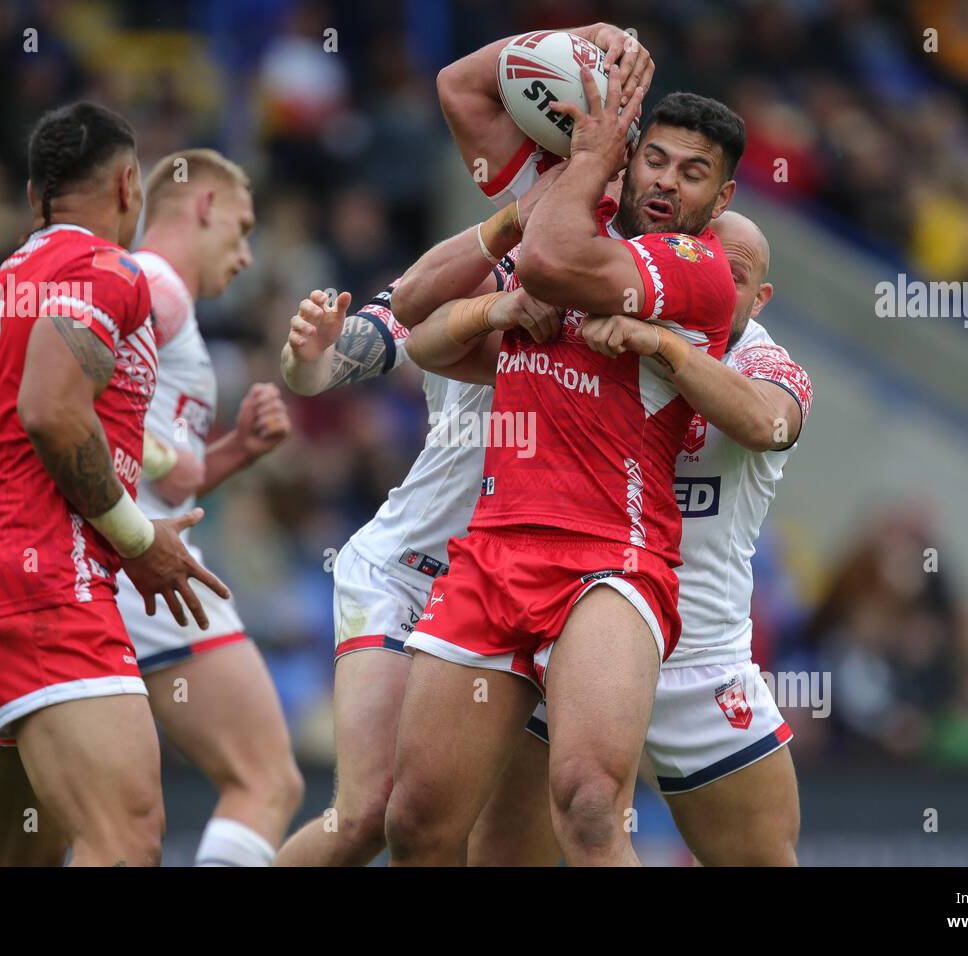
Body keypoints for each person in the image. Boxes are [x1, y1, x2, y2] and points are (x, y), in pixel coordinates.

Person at [272, 21, 652, 868]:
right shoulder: (489, 262)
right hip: (415, 564)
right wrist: (580, 34)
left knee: (506, 842)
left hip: (540, 581)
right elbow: (371, 335)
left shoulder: (633, 280)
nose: (616, 173)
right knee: (368, 815)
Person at [384, 64, 744, 864]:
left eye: (693, 174)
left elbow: (548, 261)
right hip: (492, 550)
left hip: (612, 561)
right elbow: (422, 335)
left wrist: (587, 161)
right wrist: (499, 307)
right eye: (653, 159)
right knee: (414, 823)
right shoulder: (574, 235)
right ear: (632, 157)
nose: (665, 183)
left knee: (586, 805)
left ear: (717, 204)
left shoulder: (696, 269)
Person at [0, 148, 302, 868]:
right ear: (204, 206)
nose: (247, 256)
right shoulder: (144, 279)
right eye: (242, 228)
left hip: (63, 562)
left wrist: (230, 454)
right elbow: (56, 400)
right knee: (257, 780)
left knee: (24, 836)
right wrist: (154, 484)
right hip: (108, 563)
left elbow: (117, 433)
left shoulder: (74, 287)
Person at [420, 211, 810, 866]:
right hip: (579, 630)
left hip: (699, 663)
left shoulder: (763, 362)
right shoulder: (596, 331)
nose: (713, 276)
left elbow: (768, 422)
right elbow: (430, 335)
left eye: (734, 273)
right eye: (702, 259)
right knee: (506, 853)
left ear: (760, 296)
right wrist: (507, 305)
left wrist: (662, 348)